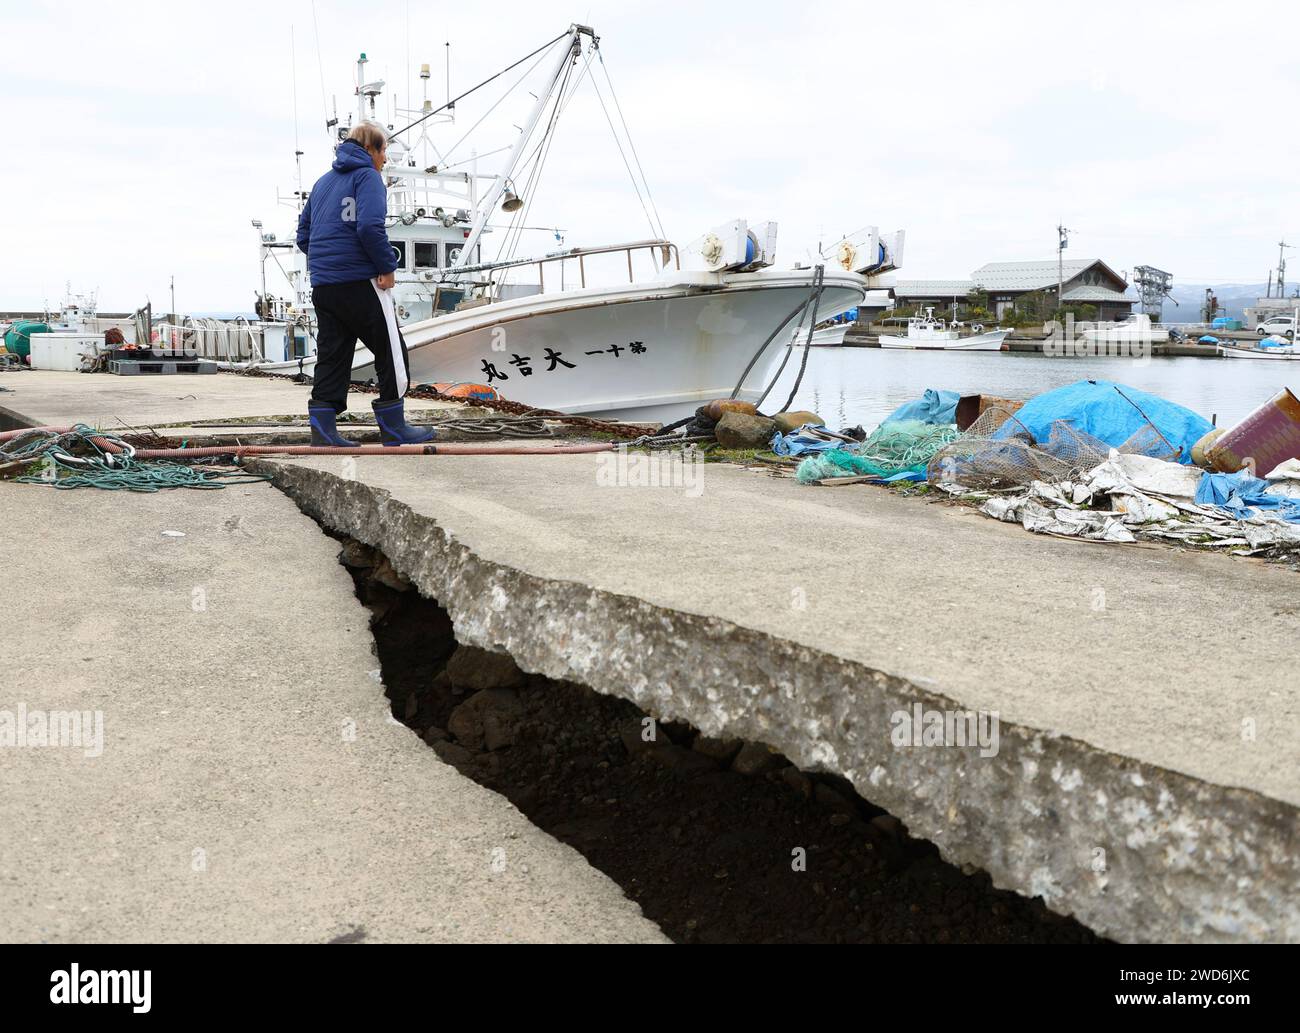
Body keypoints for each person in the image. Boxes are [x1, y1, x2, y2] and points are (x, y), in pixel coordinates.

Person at [296, 122, 434, 447]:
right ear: (370, 149)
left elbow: (304, 236)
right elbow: (370, 227)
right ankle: (394, 427)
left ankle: (323, 430)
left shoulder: (322, 184)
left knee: (333, 354)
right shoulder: (367, 177)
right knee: (391, 351)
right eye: (383, 150)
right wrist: (386, 266)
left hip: (325, 286)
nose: (385, 158)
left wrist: (329, 262)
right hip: (360, 281)